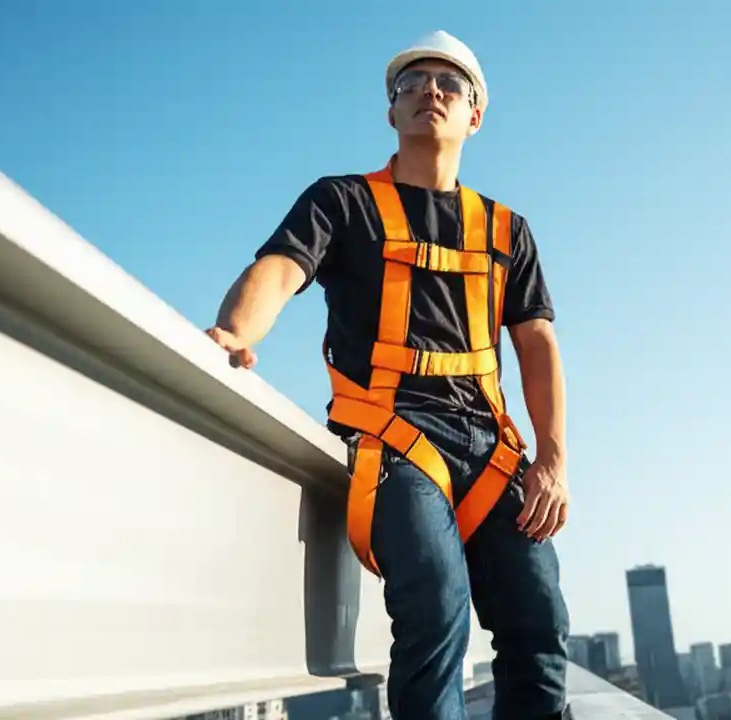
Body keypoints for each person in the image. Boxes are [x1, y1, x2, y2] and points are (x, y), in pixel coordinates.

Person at [205, 30, 572, 719]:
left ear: (475, 114)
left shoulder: (506, 231)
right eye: (411, 84)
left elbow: (537, 343)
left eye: (449, 85)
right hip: (396, 436)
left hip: (492, 448)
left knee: (539, 619)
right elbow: (281, 269)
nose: (429, 92)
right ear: (391, 112)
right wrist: (235, 332)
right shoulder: (342, 202)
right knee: (436, 607)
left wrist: (550, 460)